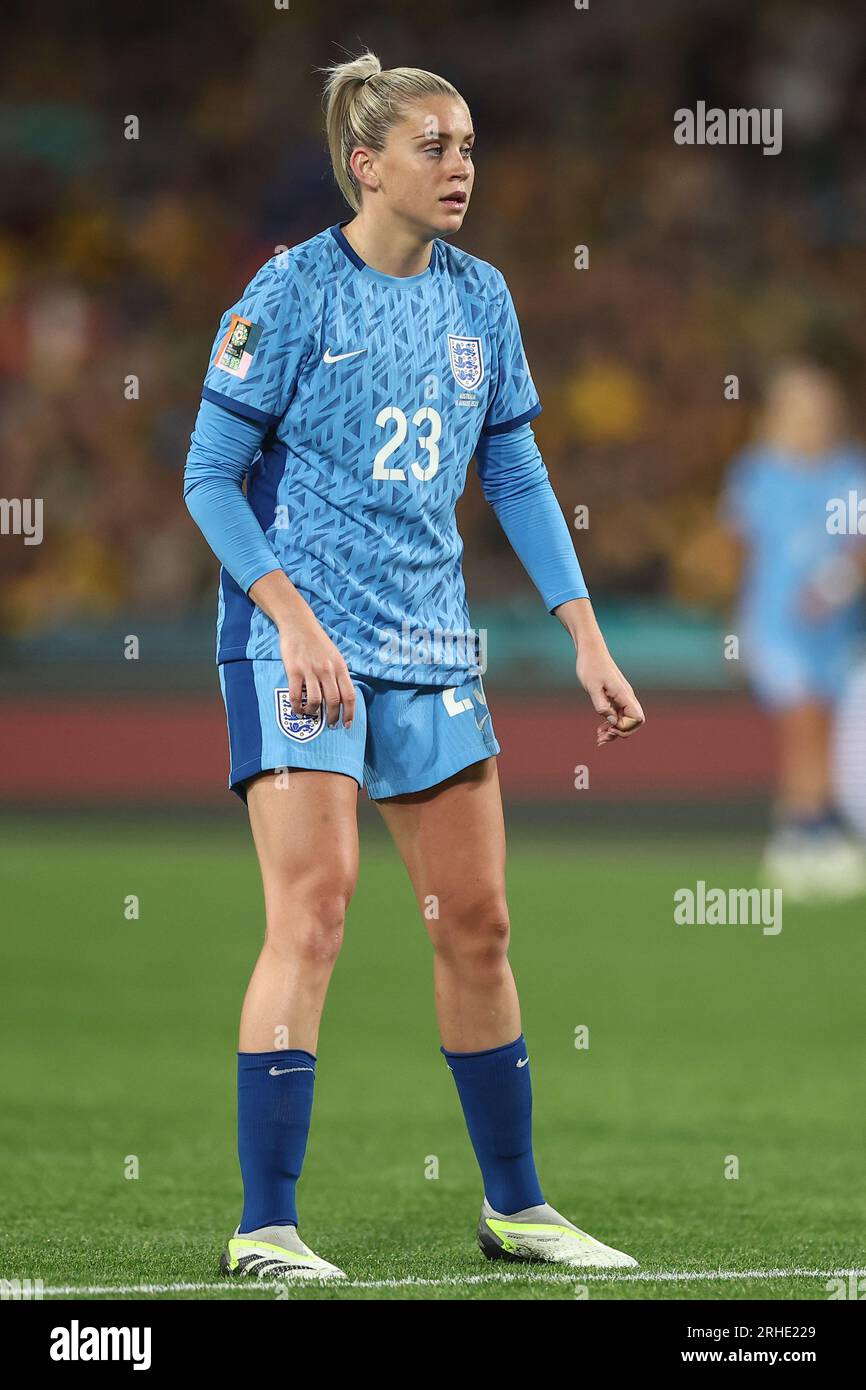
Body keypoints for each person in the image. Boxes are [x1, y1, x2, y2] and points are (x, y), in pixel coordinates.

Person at [184, 51, 645, 1282]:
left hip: (430, 644)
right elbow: (208, 477)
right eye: (434, 147)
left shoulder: (479, 298)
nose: (460, 168)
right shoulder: (286, 293)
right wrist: (286, 615)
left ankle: (516, 1209)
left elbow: (513, 470)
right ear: (365, 163)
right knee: (317, 909)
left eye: (470, 146)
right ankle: (266, 1224)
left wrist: (580, 626)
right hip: (301, 645)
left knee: (481, 927)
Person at [719, 359, 866, 902]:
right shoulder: (757, 472)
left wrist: (837, 582)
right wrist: (738, 622)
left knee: (824, 725)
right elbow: (742, 552)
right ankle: (808, 833)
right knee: (801, 719)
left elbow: (859, 545)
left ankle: (807, 831)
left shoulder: (851, 470)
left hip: (834, 629)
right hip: (774, 625)